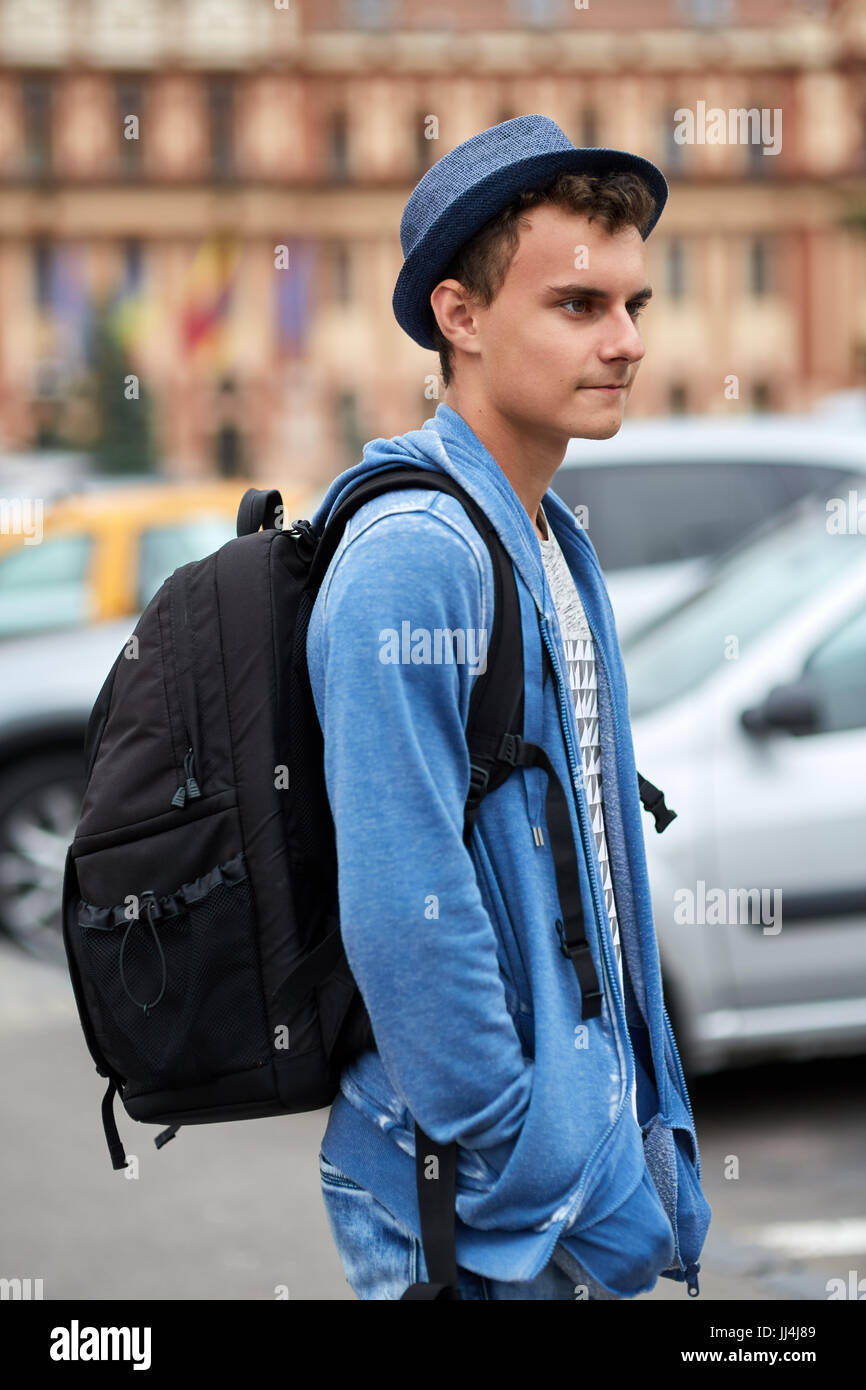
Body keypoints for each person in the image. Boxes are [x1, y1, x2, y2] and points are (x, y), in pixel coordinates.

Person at [306, 114, 711, 1300]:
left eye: (635, 305)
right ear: (460, 316)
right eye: (578, 306)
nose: (625, 341)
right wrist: (534, 1163)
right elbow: (401, 902)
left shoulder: (543, 538)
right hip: (480, 1205)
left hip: (563, 1183)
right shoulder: (412, 553)